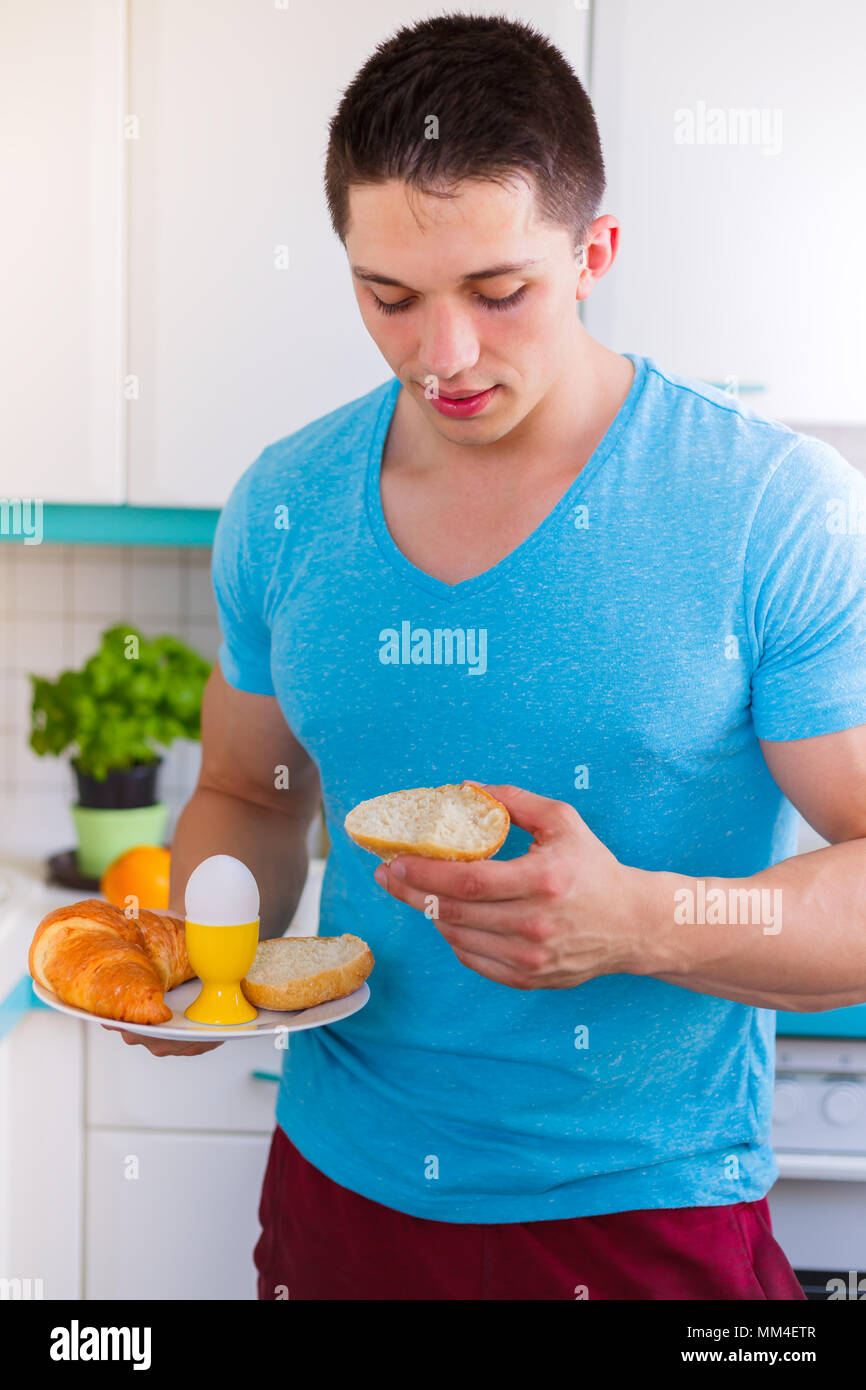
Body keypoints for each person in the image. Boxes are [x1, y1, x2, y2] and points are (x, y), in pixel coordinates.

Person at [115, 13, 866, 1300]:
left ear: (594, 255)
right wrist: (200, 955)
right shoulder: (283, 505)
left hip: (641, 1214)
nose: (442, 357)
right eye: (389, 297)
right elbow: (249, 789)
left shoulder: (766, 507)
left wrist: (637, 920)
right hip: (337, 1193)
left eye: (498, 291)